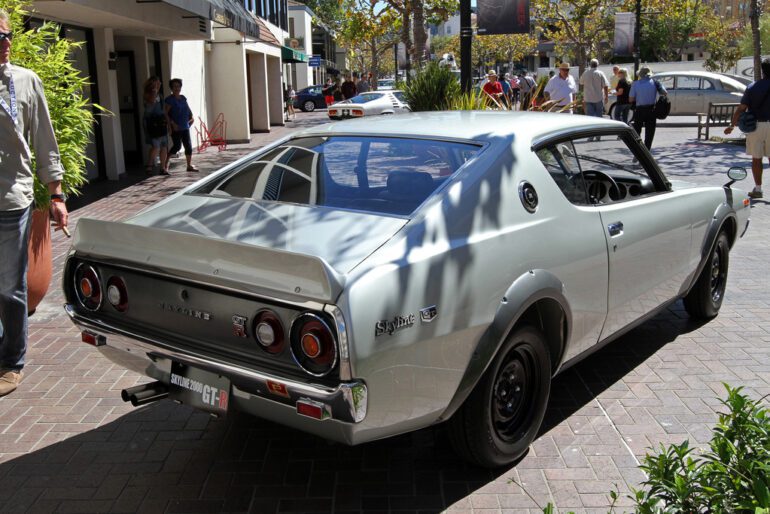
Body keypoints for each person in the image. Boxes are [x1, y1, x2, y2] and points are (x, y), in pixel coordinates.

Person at [0, 9, 67, 396]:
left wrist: (55, 195)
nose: (6, 44)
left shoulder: (26, 82)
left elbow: (45, 141)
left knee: (10, 286)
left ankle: (11, 361)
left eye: (7, 36)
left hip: (12, 200)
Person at [725, 58, 770, 199]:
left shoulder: (752, 87)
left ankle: (758, 189)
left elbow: (741, 109)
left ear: (762, 70)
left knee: (757, 159)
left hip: (756, 127)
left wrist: (732, 125)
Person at [164, 78, 198, 172]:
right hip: (176, 127)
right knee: (177, 146)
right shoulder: (169, 100)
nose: (177, 88)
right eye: (174, 86)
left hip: (185, 126)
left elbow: (187, 109)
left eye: (178, 86)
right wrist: (172, 123)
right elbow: (165, 113)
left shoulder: (183, 98)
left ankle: (189, 165)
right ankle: (165, 164)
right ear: (171, 88)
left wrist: (191, 117)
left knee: (188, 146)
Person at [629, 66, 666, 149]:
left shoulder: (635, 84)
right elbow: (664, 92)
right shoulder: (655, 82)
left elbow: (631, 99)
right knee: (649, 133)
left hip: (639, 110)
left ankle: (638, 150)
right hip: (651, 110)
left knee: (637, 132)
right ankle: (647, 151)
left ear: (640, 75)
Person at [142, 76, 169, 175]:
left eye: (159, 82)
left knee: (164, 145)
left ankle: (163, 167)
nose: (159, 84)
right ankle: (149, 164)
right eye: (157, 82)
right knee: (156, 145)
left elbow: (164, 110)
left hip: (160, 121)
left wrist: (168, 123)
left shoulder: (160, 96)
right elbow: (152, 101)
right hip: (151, 121)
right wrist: (155, 89)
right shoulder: (148, 94)